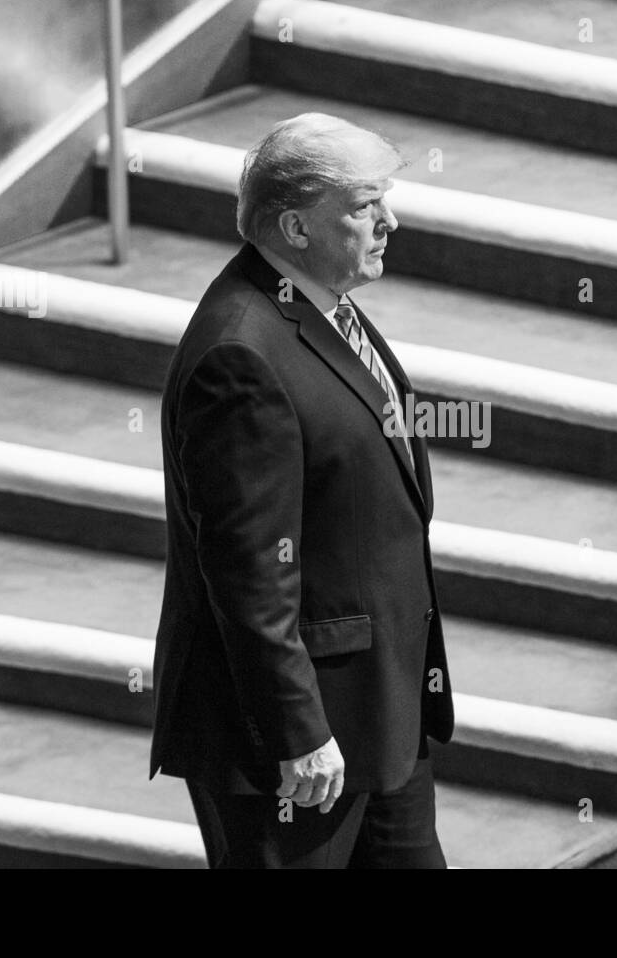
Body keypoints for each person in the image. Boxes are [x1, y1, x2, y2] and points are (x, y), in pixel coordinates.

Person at [149, 113, 455, 868]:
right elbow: (250, 571)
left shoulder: (324, 306)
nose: (390, 220)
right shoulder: (239, 356)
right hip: (298, 752)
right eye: (362, 205)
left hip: (381, 712)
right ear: (294, 225)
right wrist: (299, 733)